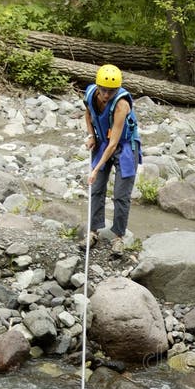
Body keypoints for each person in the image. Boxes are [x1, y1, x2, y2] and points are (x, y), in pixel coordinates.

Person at [81, 64, 141, 256]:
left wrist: (95, 168)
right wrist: (91, 136)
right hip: (102, 142)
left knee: (121, 195)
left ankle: (118, 237)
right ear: (98, 86)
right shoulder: (90, 94)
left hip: (124, 146)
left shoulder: (121, 104)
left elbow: (114, 143)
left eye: (112, 91)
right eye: (104, 90)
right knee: (96, 188)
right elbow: (88, 114)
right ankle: (93, 232)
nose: (107, 95)